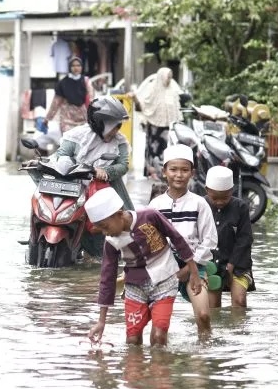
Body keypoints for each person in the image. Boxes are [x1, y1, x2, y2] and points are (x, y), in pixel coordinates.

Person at [86, 187, 200, 347]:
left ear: (119, 215)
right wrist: (101, 321)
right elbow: (107, 278)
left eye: (106, 227)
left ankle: (159, 369)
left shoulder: (149, 216)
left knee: (159, 337)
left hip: (165, 282)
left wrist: (194, 272)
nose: (105, 233)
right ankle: (135, 370)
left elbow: (176, 238)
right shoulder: (111, 242)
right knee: (132, 340)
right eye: (101, 229)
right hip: (135, 288)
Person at [148, 144, 218, 335]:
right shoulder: (155, 205)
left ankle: (204, 356)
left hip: (195, 267)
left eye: (184, 170)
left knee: (204, 316)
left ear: (192, 173)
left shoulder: (199, 203)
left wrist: (190, 268)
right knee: (159, 326)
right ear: (164, 172)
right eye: (173, 169)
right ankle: (160, 359)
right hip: (164, 269)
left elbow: (209, 241)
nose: (179, 175)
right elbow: (149, 240)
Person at [53, 96, 134, 258]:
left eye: (118, 126)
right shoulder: (76, 136)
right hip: (74, 187)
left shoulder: (120, 142)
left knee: (125, 226)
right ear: (100, 123)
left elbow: (123, 165)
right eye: (113, 126)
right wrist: (70, 165)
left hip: (108, 188)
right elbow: (61, 154)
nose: (117, 130)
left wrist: (106, 172)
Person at [204, 166, 255, 308]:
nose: (219, 202)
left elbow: (245, 239)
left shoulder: (241, 207)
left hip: (238, 264)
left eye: (225, 198)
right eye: (215, 198)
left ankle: (238, 330)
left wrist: (231, 265)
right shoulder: (200, 205)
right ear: (206, 190)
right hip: (210, 265)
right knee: (212, 308)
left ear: (231, 191)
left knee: (239, 301)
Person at [132, 67, 183, 179]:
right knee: (152, 149)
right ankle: (151, 172)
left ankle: (162, 171)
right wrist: (135, 99)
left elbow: (176, 108)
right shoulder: (152, 89)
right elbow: (143, 105)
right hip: (153, 126)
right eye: (167, 77)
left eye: (170, 77)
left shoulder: (172, 90)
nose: (169, 79)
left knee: (164, 149)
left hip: (166, 127)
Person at [46, 56, 95, 133]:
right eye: (73, 66)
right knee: (68, 142)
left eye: (78, 65)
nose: (76, 68)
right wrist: (47, 118)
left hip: (82, 119)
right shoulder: (62, 83)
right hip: (67, 120)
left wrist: (93, 117)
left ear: (82, 67)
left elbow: (92, 100)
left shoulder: (86, 81)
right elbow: (55, 103)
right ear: (69, 67)